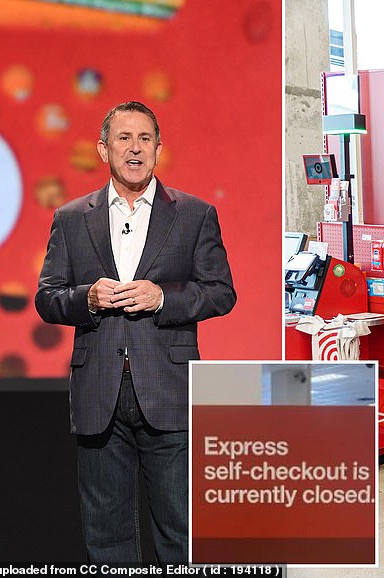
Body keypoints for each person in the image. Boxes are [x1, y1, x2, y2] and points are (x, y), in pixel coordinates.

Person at [35, 101, 235, 564]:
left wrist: (163, 297)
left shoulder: (194, 214)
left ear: (158, 150)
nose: (135, 148)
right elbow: (47, 298)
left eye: (145, 139)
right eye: (124, 138)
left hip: (170, 394)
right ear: (103, 149)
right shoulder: (71, 218)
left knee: (181, 535)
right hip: (99, 397)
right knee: (107, 540)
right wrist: (87, 298)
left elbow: (221, 293)